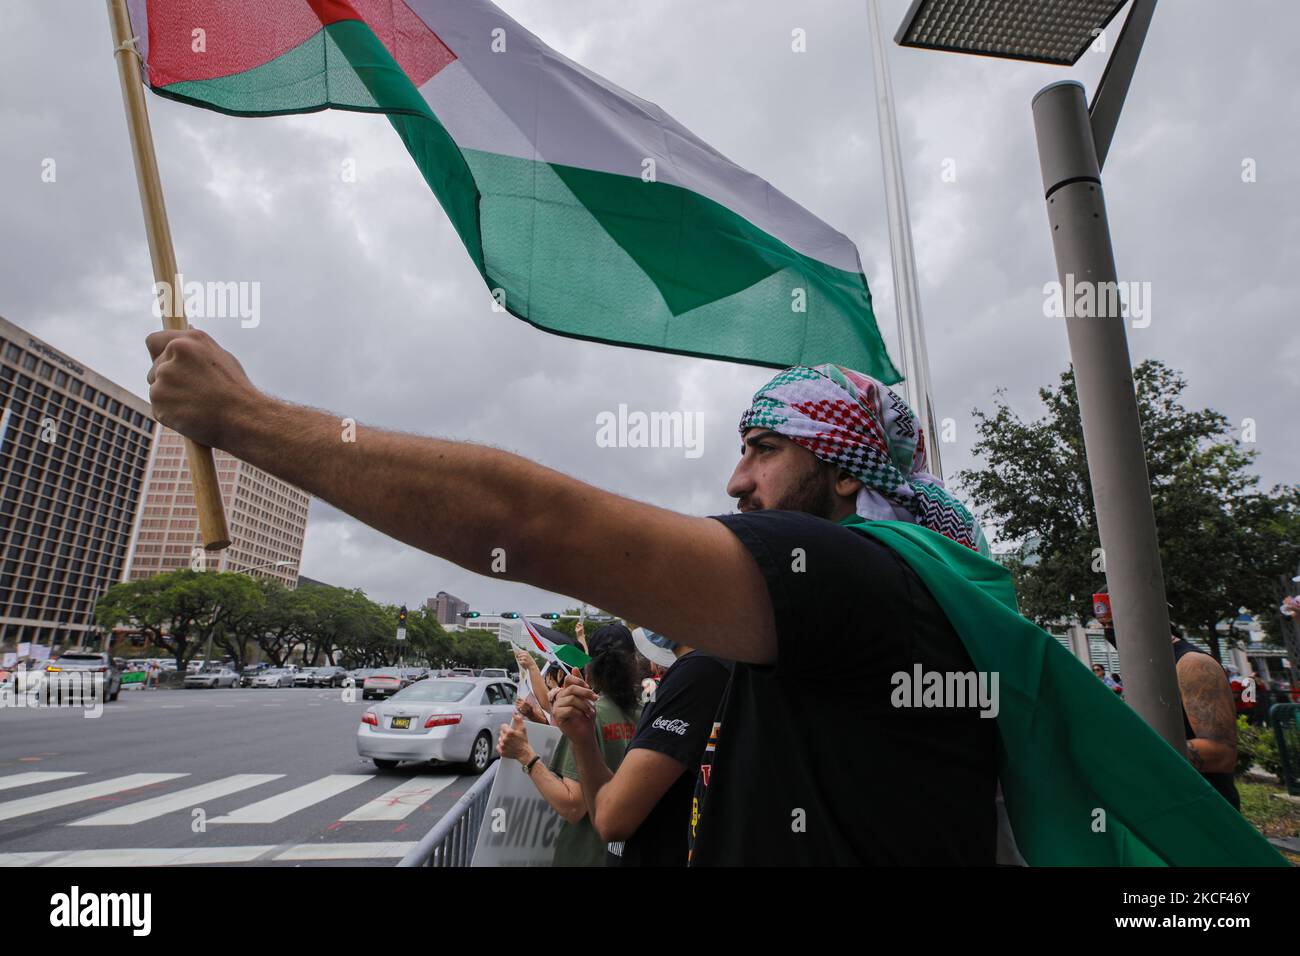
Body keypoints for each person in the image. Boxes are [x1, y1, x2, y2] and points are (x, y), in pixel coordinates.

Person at [145, 333, 999, 864]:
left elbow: (528, 521)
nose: (736, 481)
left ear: (849, 471)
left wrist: (243, 418)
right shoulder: (901, 591)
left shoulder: (851, 572)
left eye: (764, 448)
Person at [552, 629, 729, 866]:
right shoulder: (715, 667)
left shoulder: (700, 672)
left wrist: (529, 758)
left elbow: (608, 819)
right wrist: (583, 737)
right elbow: (615, 803)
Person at [496, 624, 640, 866]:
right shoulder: (647, 716)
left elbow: (572, 806)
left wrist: (524, 754)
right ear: (635, 663)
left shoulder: (585, 717)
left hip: (587, 855)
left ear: (590, 667)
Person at [1100, 609, 1240, 810]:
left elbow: (1221, 754)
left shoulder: (1192, 664)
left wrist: (1132, 754)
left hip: (1204, 811)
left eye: (1113, 624)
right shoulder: (1144, 667)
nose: (1109, 631)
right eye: (1104, 626)